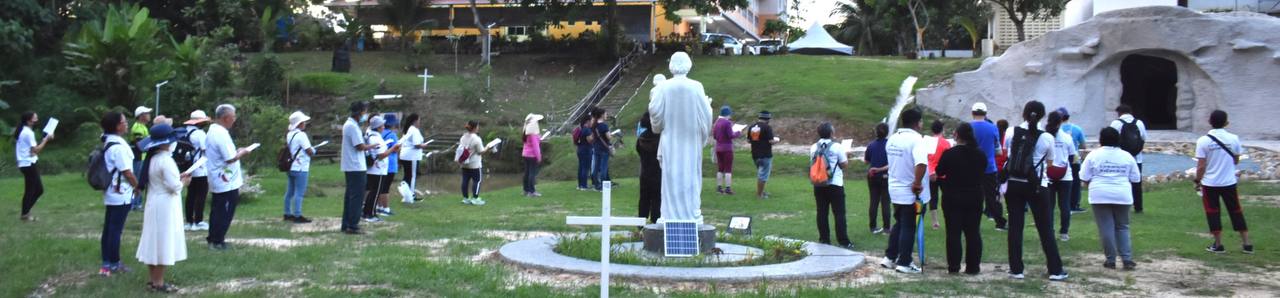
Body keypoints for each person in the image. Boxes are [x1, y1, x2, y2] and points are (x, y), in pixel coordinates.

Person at [1002, 100, 1067, 281]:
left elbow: (1008, 154)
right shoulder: (1046, 137)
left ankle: (1016, 269)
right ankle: (1055, 269)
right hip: (1037, 184)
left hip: (1014, 182)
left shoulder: (1010, 132)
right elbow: (1050, 163)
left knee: (1015, 227)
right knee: (1045, 227)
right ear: (1042, 116)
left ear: (1024, 113)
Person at [648, 51, 715, 224]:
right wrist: (702, 134)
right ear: (688, 65)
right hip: (691, 141)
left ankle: (669, 215)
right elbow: (707, 114)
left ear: (671, 66)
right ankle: (690, 214)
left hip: (671, 139)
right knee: (689, 176)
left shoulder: (664, 87)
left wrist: (659, 126)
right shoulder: (696, 86)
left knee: (671, 177)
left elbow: (654, 111)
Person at [134, 123, 190, 293]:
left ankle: (153, 279)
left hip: (154, 201)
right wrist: (184, 182)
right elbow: (174, 186)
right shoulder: (166, 160)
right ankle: (158, 282)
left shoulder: (153, 158)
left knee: (153, 242)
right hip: (165, 204)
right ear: (166, 142)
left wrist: (177, 179)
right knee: (164, 242)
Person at [1080, 127, 1141, 270]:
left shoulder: (1093, 155)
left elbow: (1084, 176)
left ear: (1101, 139)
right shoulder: (1127, 156)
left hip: (1099, 194)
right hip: (1122, 194)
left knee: (1106, 227)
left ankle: (1110, 259)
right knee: (1123, 227)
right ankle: (1127, 259)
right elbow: (1135, 178)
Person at [1195, 110, 1253, 254]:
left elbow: (1201, 165)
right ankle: (1246, 244)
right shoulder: (1234, 138)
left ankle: (1218, 244)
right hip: (1229, 182)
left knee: (1212, 212)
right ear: (1227, 123)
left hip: (1210, 183)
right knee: (1236, 211)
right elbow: (1236, 160)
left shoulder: (1203, 141)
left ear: (1209, 122)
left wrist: (1197, 180)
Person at [935, 123, 988, 275]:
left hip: (953, 197)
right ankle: (973, 267)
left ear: (957, 135)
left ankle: (954, 266)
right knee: (973, 233)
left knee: (953, 233)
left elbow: (939, 171)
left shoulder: (950, 153)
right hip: (975, 196)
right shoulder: (980, 154)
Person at [882, 109, 930, 274]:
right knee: (908, 226)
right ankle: (904, 261)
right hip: (911, 190)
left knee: (900, 223)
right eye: (922, 122)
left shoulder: (893, 138)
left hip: (894, 188)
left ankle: (890, 257)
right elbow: (921, 164)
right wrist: (917, 183)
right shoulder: (917, 140)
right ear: (917, 123)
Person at [205, 104, 252, 250]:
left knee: (217, 208)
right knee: (225, 210)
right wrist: (243, 152)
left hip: (220, 177)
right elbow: (230, 158)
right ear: (226, 118)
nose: (235, 119)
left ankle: (213, 237)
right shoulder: (220, 134)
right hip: (225, 179)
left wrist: (236, 151)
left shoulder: (215, 131)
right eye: (233, 116)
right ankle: (218, 240)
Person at [99, 111, 139, 276]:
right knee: (115, 230)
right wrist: (138, 186)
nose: (126, 123)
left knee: (109, 228)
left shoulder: (109, 142)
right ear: (117, 126)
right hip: (120, 192)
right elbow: (128, 172)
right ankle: (114, 263)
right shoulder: (118, 147)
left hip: (112, 192)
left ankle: (107, 261)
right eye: (124, 121)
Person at [810, 123, 852, 249]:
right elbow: (844, 164)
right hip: (835, 184)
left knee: (821, 212)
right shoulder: (837, 147)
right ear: (831, 133)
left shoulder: (813, 147)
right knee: (839, 213)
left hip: (819, 183)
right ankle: (843, 241)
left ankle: (824, 239)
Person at [971, 103, 1007, 231]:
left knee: (972, 196)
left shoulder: (967, 127)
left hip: (971, 168)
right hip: (989, 168)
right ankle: (1000, 223)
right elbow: (998, 151)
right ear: (986, 114)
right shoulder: (993, 128)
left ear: (972, 113)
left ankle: (971, 222)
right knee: (992, 196)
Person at [1109, 105, 1148, 213]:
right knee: (1136, 182)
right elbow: (1144, 138)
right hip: (1137, 158)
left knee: (1119, 181)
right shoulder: (1139, 123)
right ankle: (1138, 207)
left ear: (1119, 113)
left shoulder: (1116, 123)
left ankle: (1120, 205)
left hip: (1120, 158)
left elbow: (1110, 138)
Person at [340, 102, 372, 234]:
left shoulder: (350, 125)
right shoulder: (352, 126)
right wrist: (371, 146)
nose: (365, 114)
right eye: (364, 111)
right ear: (359, 113)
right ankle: (353, 225)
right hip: (356, 166)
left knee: (350, 196)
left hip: (352, 165)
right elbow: (359, 146)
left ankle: (346, 224)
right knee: (357, 197)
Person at [15, 112, 52, 221]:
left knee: (36, 190)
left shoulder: (25, 131)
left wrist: (33, 152)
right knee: (33, 190)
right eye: (35, 117)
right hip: (28, 164)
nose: (37, 119)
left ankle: (25, 213)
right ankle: (25, 214)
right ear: (29, 121)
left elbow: (32, 151)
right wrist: (46, 140)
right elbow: (36, 150)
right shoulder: (28, 133)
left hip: (27, 163)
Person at [1045, 111, 1077, 241]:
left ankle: (1049, 231)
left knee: (1049, 205)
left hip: (1048, 173)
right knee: (1064, 205)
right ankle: (1064, 232)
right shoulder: (1066, 137)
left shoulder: (1045, 137)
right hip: (1065, 174)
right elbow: (1072, 155)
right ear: (1061, 122)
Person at [363, 115, 399, 222]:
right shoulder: (375, 137)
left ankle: (369, 212)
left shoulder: (372, 134)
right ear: (378, 126)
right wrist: (393, 148)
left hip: (376, 169)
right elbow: (380, 155)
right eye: (382, 125)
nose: (384, 126)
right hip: (377, 169)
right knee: (375, 192)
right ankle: (370, 214)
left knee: (373, 192)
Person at [283, 111, 315, 223]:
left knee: (289, 192)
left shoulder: (289, 134)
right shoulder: (302, 135)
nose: (305, 124)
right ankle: (297, 215)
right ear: (300, 123)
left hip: (291, 166)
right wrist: (314, 151)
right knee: (299, 193)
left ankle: (287, 213)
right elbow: (309, 150)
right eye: (303, 122)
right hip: (301, 167)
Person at [182, 111, 211, 231]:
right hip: (200, 168)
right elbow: (206, 150)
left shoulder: (184, 131)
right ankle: (198, 220)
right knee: (201, 195)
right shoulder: (200, 133)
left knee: (190, 195)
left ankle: (189, 221)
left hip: (187, 167)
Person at [1057, 107, 1087, 214]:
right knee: (1075, 182)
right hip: (1074, 159)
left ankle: (1062, 204)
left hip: (1059, 160)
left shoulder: (1055, 130)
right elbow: (1083, 145)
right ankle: (1074, 205)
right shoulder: (1076, 129)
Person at [865, 123, 891, 234]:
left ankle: (873, 227)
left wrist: (875, 166)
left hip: (872, 176)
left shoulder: (871, 145)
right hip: (885, 176)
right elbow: (892, 163)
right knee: (885, 202)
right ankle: (886, 228)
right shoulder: (890, 145)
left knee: (873, 201)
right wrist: (880, 169)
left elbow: (866, 161)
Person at [924, 120, 951, 229]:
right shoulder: (946, 143)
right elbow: (949, 159)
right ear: (942, 129)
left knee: (933, 197)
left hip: (930, 173)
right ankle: (948, 217)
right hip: (943, 173)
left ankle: (935, 221)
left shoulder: (927, 142)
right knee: (947, 196)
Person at [636, 112, 662, 223]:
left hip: (645, 172)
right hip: (658, 172)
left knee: (644, 198)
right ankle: (655, 221)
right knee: (657, 198)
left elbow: (639, 151)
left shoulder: (641, 138)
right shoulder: (661, 138)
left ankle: (641, 223)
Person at [748, 111, 779, 199]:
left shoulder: (752, 127)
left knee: (760, 173)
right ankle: (759, 195)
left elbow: (749, 140)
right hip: (765, 154)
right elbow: (771, 141)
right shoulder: (767, 127)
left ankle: (761, 191)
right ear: (768, 119)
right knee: (763, 175)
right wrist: (777, 140)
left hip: (755, 154)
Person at [398, 113, 429, 203]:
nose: (420, 122)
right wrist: (423, 145)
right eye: (419, 120)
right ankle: (411, 196)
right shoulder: (414, 130)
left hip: (404, 155)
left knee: (407, 175)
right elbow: (416, 144)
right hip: (412, 156)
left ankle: (405, 196)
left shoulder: (407, 129)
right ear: (415, 121)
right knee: (412, 176)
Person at [712, 105, 742, 195]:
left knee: (720, 168)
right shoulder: (727, 123)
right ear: (727, 114)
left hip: (718, 148)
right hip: (727, 148)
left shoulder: (717, 122)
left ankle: (719, 187)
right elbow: (731, 135)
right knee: (728, 169)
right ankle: (728, 188)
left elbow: (714, 136)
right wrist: (738, 132)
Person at [130, 106, 154, 211]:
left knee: (140, 179)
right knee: (137, 180)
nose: (149, 116)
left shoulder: (143, 127)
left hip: (142, 157)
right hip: (139, 157)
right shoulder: (138, 128)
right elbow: (139, 144)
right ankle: (134, 203)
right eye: (147, 113)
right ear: (141, 116)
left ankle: (137, 202)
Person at [458, 120, 487, 206]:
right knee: (477, 181)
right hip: (474, 164)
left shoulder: (463, 137)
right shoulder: (476, 139)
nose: (478, 128)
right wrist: (488, 147)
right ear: (474, 128)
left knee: (465, 181)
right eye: (477, 126)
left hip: (464, 163)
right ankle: (475, 198)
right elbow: (481, 151)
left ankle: (465, 198)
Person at [377, 113, 400, 216]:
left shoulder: (379, 133)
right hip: (390, 164)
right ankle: (386, 208)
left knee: (379, 186)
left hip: (380, 163)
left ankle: (378, 206)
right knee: (386, 188)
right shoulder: (392, 135)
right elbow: (396, 149)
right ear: (393, 124)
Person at [590, 108, 613, 191]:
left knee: (596, 167)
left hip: (596, 148)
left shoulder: (594, 125)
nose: (606, 115)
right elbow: (609, 137)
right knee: (604, 167)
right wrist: (611, 134)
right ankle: (603, 185)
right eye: (606, 114)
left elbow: (593, 137)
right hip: (604, 149)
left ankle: (597, 185)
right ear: (602, 115)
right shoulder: (604, 125)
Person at [522, 114, 545, 197]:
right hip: (532, 155)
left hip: (525, 154)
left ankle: (526, 190)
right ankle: (532, 191)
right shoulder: (533, 134)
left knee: (527, 172)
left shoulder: (526, 132)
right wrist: (539, 156)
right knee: (532, 173)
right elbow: (536, 146)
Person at [575, 115, 595, 191]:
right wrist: (594, 136)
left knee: (581, 167)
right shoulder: (587, 130)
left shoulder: (581, 128)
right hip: (586, 150)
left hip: (580, 149)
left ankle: (580, 185)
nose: (592, 122)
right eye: (591, 121)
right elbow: (590, 140)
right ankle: (584, 185)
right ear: (588, 121)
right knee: (585, 168)